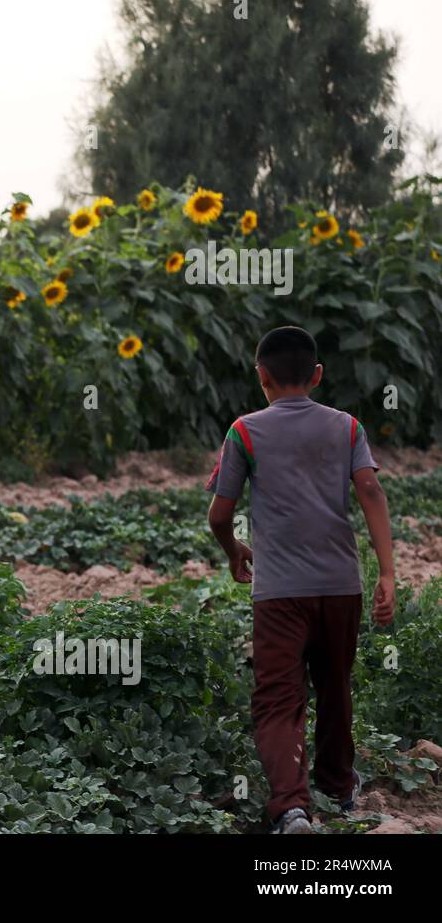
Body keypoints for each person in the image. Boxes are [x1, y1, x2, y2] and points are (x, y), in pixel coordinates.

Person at [205, 325, 395, 834]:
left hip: (279, 592)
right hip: (341, 586)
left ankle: (291, 807)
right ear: (316, 375)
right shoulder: (347, 427)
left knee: (277, 697)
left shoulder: (244, 431)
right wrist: (389, 573)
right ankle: (337, 786)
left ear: (261, 376)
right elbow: (371, 493)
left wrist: (233, 551)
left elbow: (220, 514)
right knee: (335, 686)